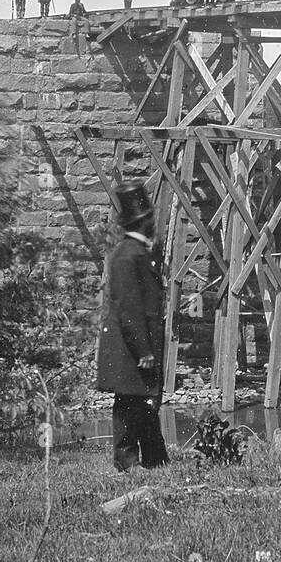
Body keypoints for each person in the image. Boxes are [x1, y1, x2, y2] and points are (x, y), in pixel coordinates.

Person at [96, 184, 171, 471]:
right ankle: (126, 463)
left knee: (145, 403)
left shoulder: (136, 251)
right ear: (144, 220)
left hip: (140, 344)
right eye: (150, 216)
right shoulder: (128, 255)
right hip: (132, 347)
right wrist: (143, 349)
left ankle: (156, 459)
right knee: (130, 405)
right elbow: (128, 308)